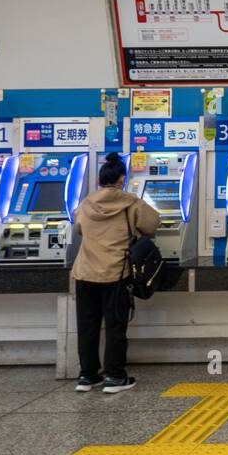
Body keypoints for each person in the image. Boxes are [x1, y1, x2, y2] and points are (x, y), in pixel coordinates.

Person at [70, 151, 159, 394]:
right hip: (115, 272)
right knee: (115, 325)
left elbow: (77, 228)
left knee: (87, 326)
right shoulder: (130, 203)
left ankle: (87, 376)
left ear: (100, 179)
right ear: (121, 179)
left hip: (85, 273)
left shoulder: (86, 204)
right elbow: (153, 223)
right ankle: (115, 377)